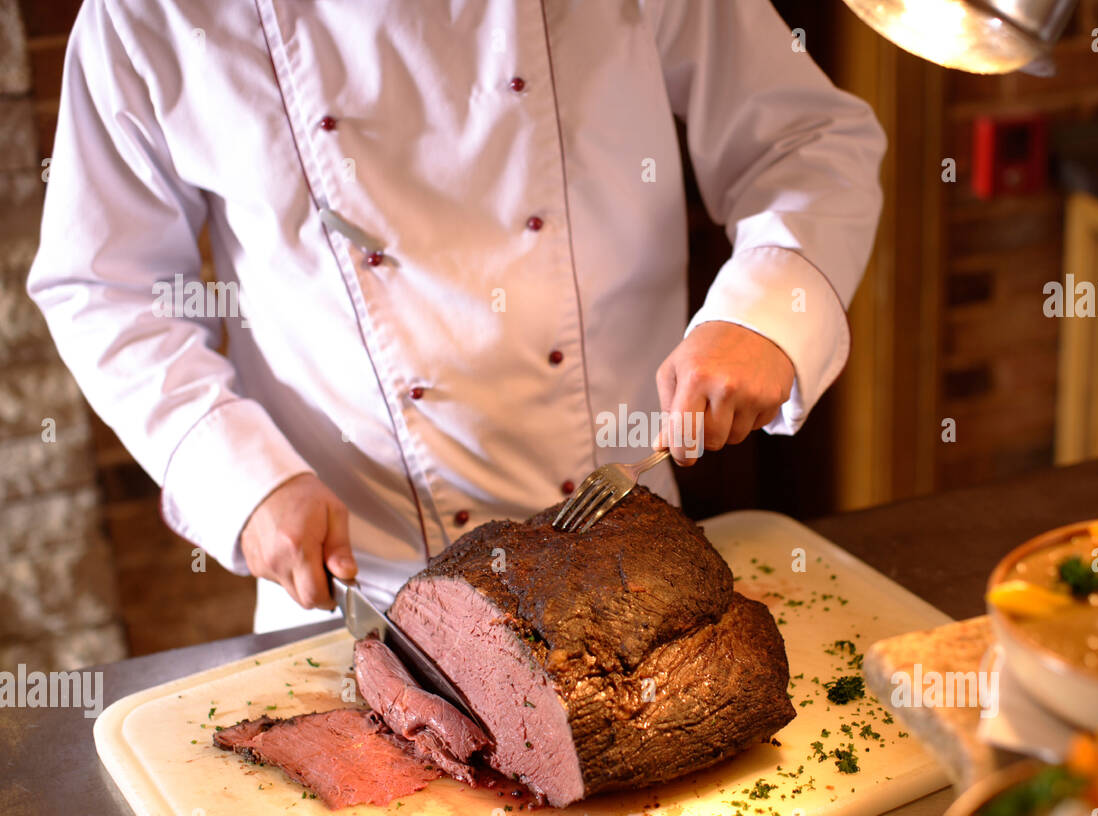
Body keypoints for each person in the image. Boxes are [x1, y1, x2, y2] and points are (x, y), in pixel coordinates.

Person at [28, 0, 885, 632]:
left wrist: (770, 308)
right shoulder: (151, 15)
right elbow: (108, 286)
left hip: (628, 557)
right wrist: (239, 481)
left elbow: (803, 140)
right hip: (355, 590)